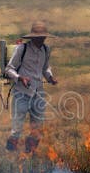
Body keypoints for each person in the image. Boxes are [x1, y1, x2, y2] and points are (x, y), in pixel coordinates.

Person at [4, 21, 59, 152]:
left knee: (37, 129)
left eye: (43, 37)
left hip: (38, 93)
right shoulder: (22, 49)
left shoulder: (45, 50)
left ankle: (30, 155)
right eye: (39, 37)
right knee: (16, 130)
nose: (41, 40)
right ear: (32, 37)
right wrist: (20, 78)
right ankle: (10, 156)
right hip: (21, 93)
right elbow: (9, 69)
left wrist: (50, 77)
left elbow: (45, 68)